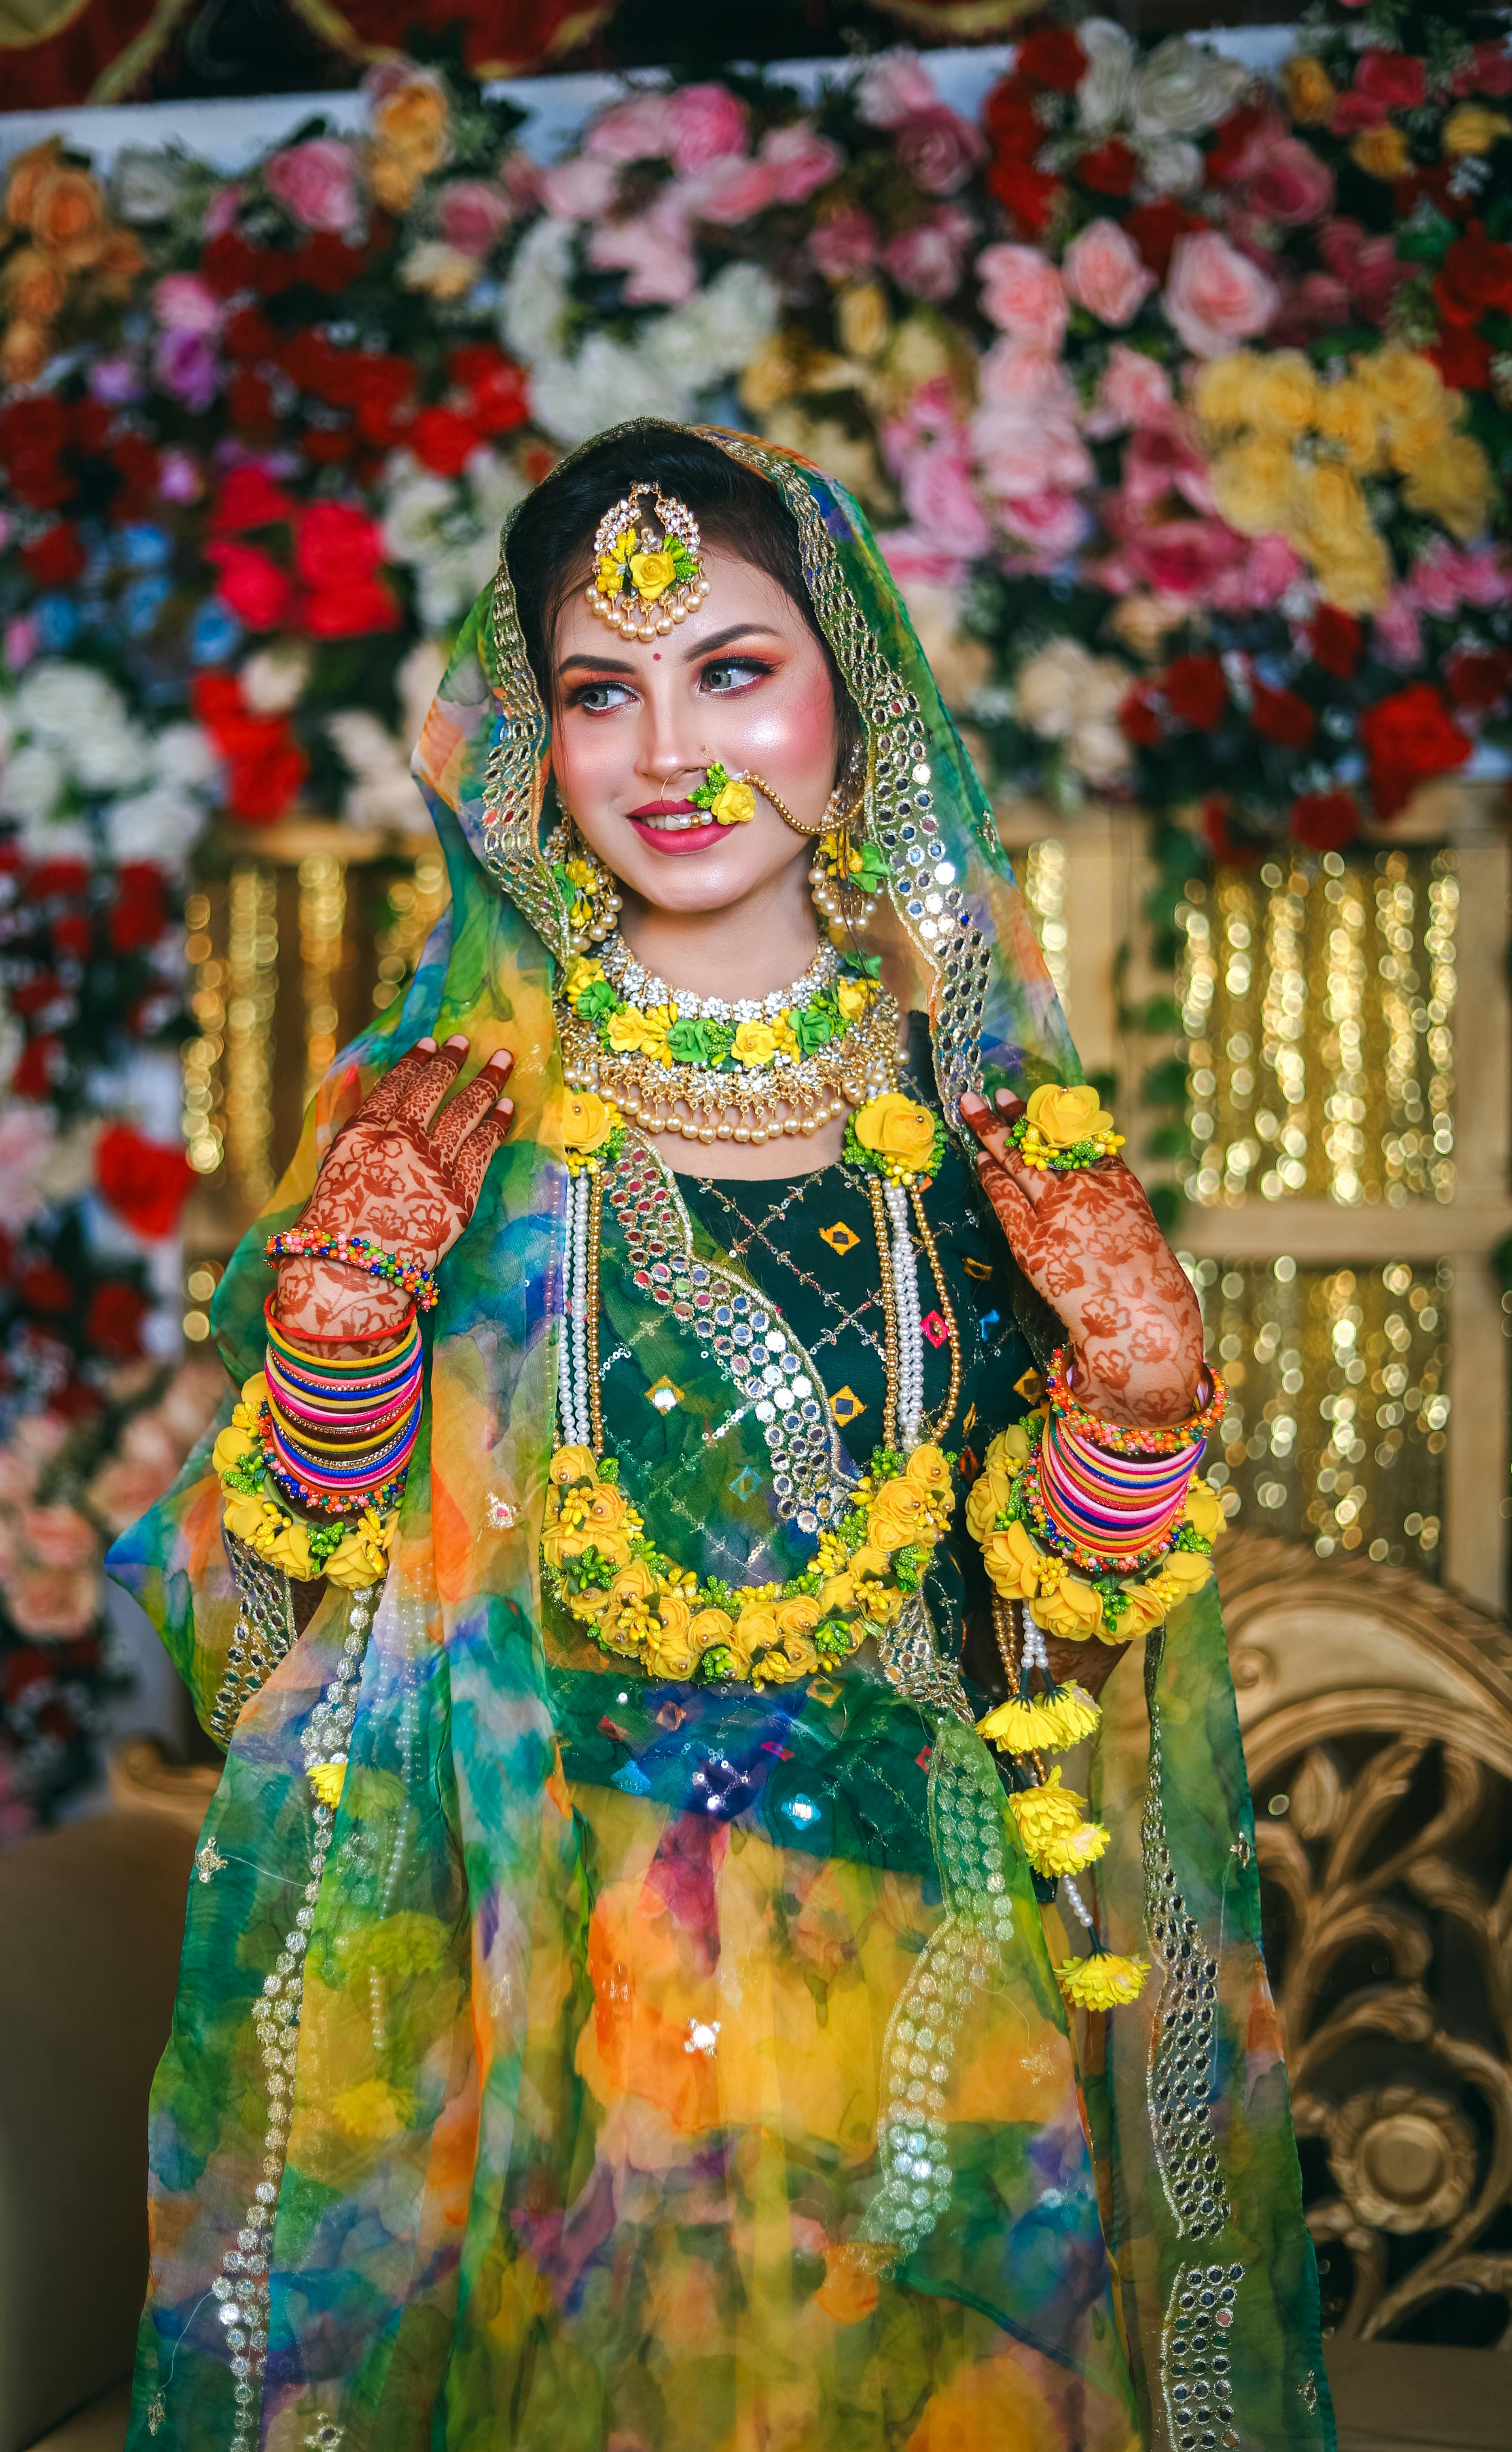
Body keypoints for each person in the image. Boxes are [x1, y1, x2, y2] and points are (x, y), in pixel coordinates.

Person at [112, 422, 1333, 2452]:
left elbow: (1054, 1658)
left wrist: (1128, 1417)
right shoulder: (456, 1125)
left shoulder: (978, 1128)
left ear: (854, 708)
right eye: (602, 691)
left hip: (926, 2001)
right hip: (550, 2016)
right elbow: (258, 1646)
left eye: (731, 671)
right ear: (537, 746)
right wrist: (338, 1352)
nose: (667, 751)